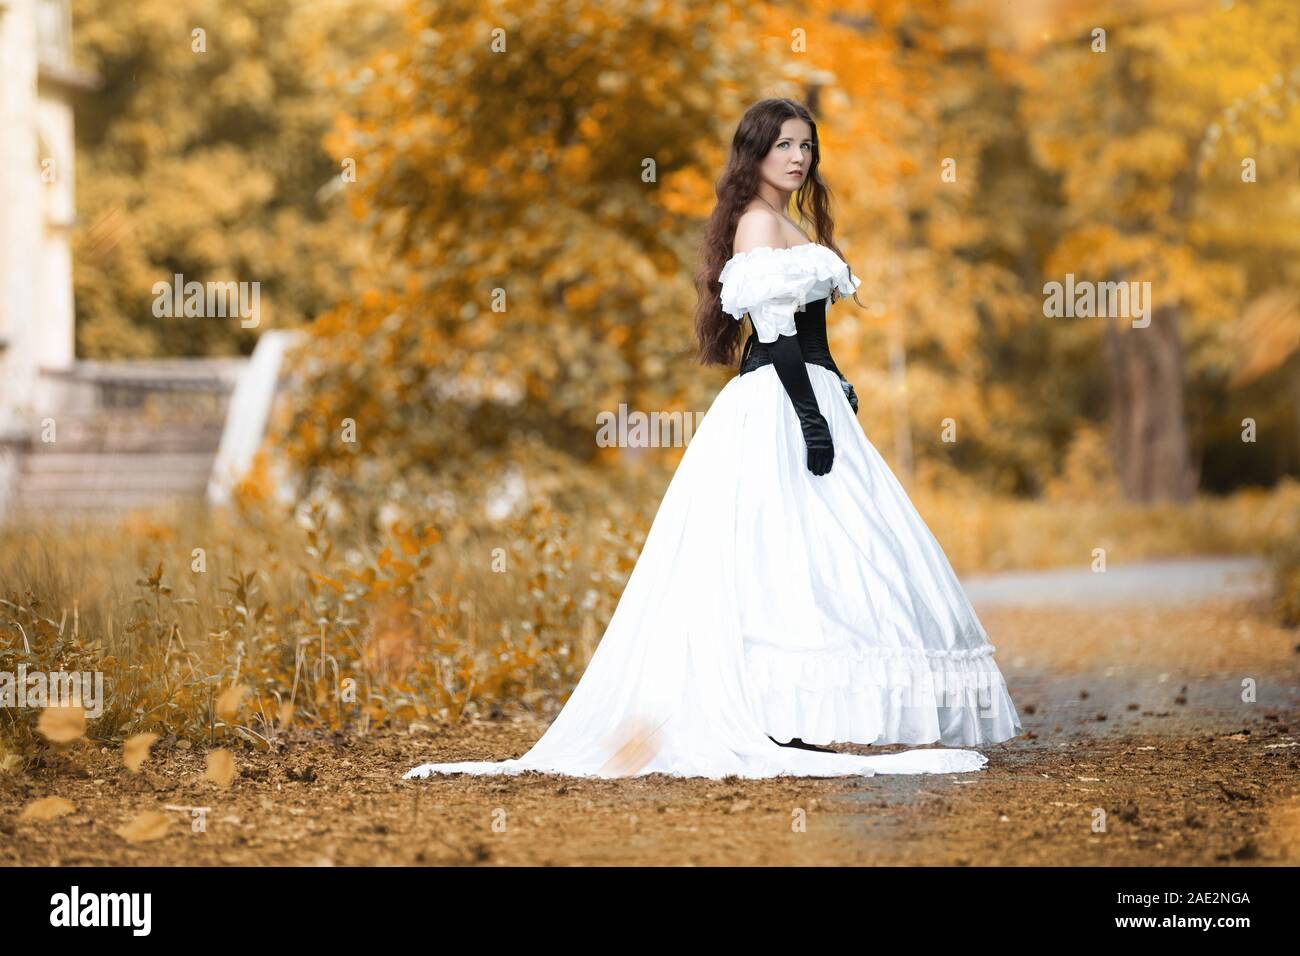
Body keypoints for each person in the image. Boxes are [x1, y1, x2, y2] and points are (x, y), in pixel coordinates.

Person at [404, 98, 1022, 781]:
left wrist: (835, 391)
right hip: (780, 404)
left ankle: (792, 719)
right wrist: (812, 420)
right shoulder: (758, 226)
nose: (798, 157)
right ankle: (775, 720)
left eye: (806, 147)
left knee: (812, 555)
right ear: (754, 153)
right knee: (778, 551)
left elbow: (804, 336)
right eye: (784, 144)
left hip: (804, 394)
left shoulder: (781, 222)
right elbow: (778, 333)